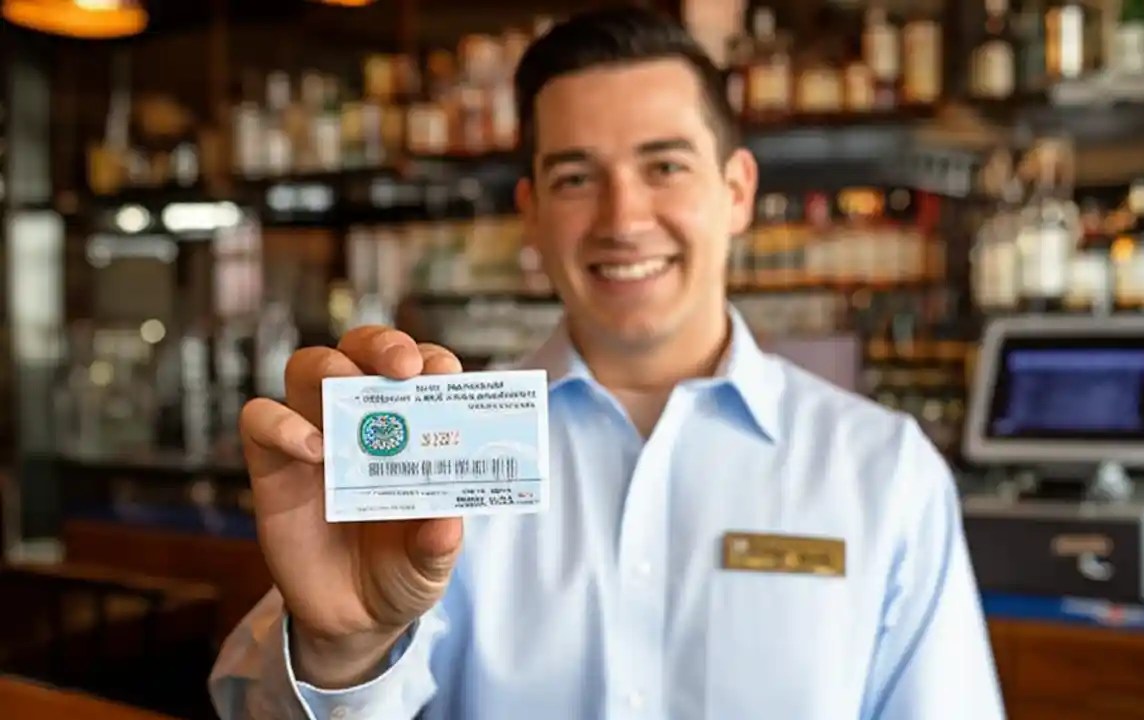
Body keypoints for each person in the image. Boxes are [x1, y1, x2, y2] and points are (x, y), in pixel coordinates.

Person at [209, 7, 1005, 719]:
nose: (623, 219)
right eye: (577, 177)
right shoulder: (438, 449)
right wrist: (341, 653)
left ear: (736, 191)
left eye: (664, 166)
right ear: (532, 215)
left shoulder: (884, 470)